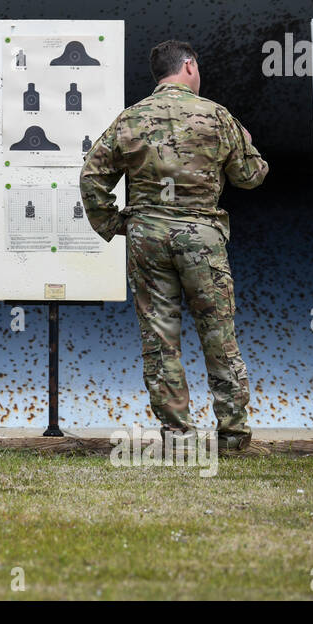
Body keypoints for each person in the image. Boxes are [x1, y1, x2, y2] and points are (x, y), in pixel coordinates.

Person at [80, 40, 268, 454]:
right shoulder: (217, 116)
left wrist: (115, 224)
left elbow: (92, 177)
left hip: (148, 237)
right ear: (189, 65)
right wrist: (247, 142)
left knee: (160, 335)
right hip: (201, 236)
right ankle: (233, 433)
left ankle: (178, 433)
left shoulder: (130, 119)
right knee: (218, 331)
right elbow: (251, 176)